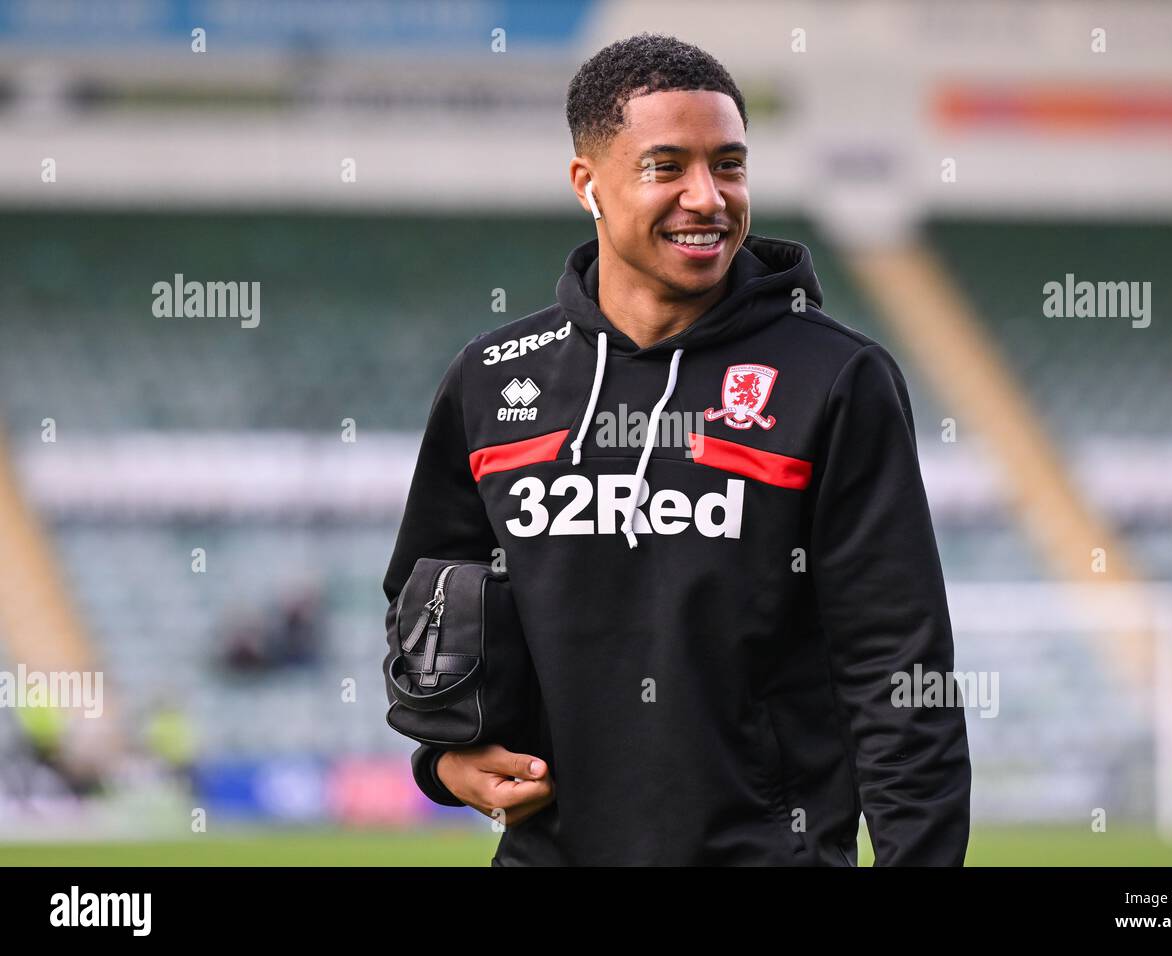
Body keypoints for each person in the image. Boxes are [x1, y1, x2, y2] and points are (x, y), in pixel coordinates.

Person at [383, 33, 971, 866]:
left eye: (729, 165)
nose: (708, 197)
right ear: (587, 183)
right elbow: (429, 600)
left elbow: (899, 666)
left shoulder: (835, 378)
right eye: (668, 167)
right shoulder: (492, 379)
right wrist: (445, 757)